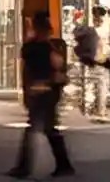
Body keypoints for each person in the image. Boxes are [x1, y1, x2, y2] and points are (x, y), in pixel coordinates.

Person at [8, 10, 74, 179]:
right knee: (48, 128)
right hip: (49, 91)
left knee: (35, 129)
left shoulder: (35, 47)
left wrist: (29, 89)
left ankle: (25, 167)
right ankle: (63, 165)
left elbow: (28, 69)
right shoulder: (50, 47)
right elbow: (58, 67)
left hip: (42, 91)